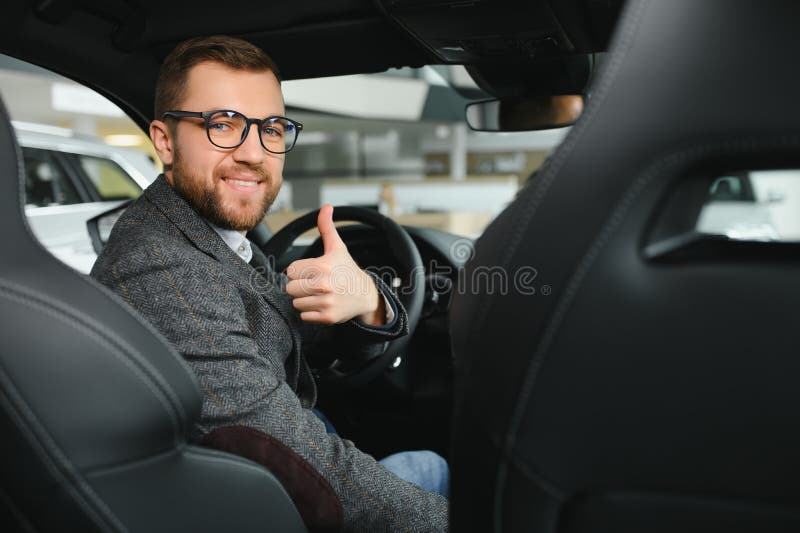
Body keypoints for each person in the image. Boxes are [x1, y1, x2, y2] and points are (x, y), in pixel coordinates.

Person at [91, 35, 448, 532]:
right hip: (253, 508)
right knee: (435, 469)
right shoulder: (163, 271)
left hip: (253, 487)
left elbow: (289, 329)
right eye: (224, 125)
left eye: (272, 129)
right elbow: (310, 475)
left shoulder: (207, 235)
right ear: (165, 140)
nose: (254, 154)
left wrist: (368, 302)